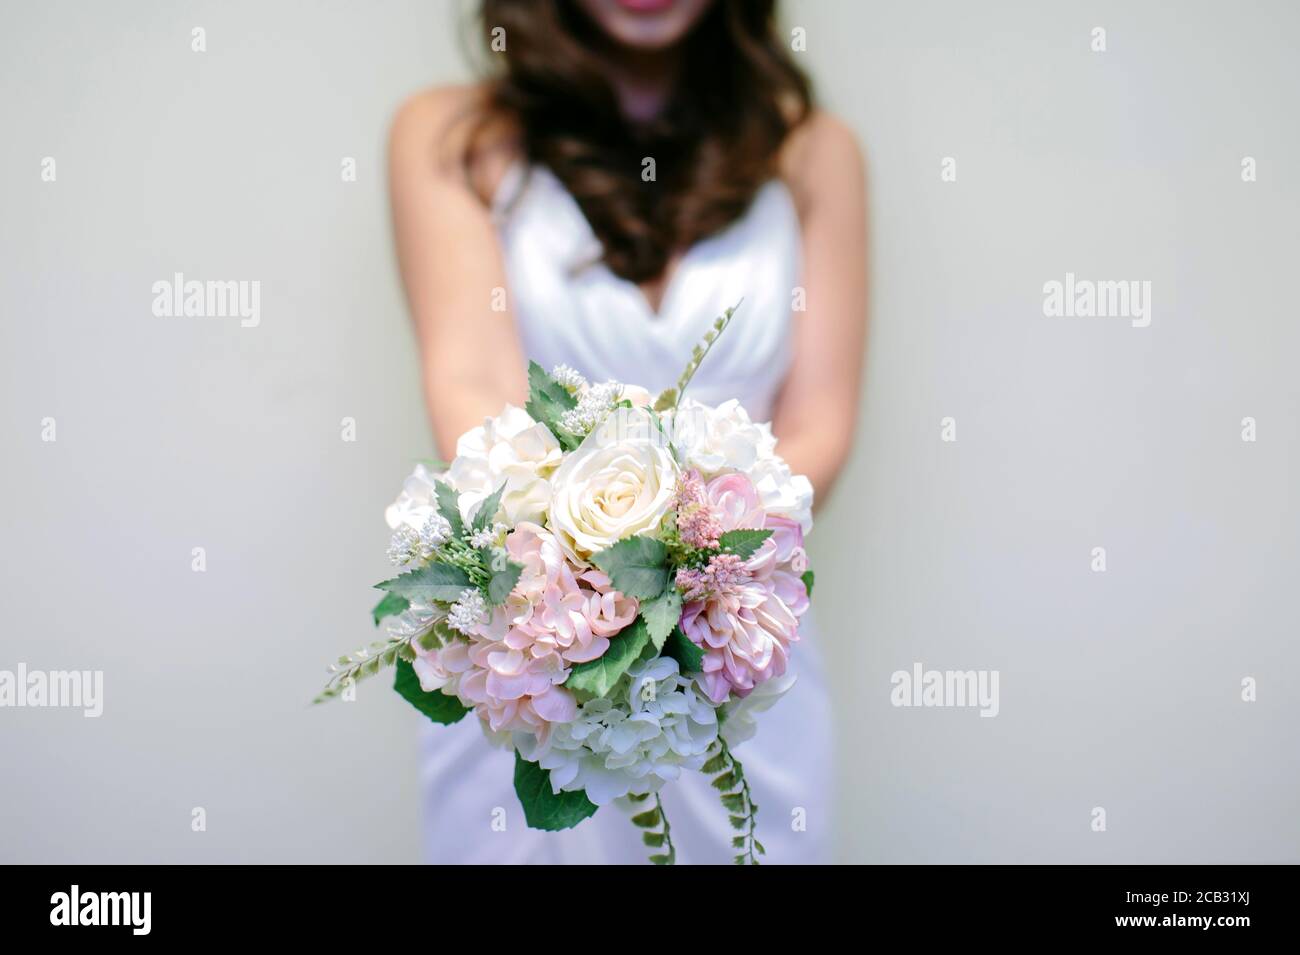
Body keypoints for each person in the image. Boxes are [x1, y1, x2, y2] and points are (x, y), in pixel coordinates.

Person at [388, 0, 866, 863]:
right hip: (537, 644)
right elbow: (474, 394)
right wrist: (584, 585)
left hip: (739, 646)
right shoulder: (453, 137)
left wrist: (695, 574)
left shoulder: (812, 152)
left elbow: (818, 424)